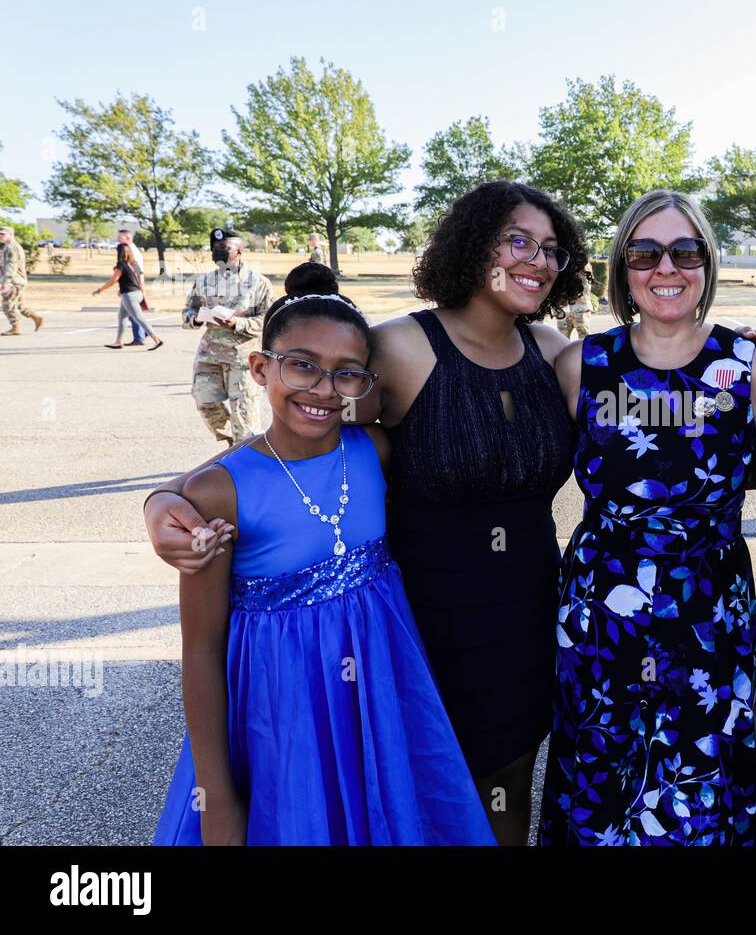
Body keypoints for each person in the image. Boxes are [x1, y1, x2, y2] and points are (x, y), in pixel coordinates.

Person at [141, 182, 756, 845]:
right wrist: (167, 499)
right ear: (475, 246)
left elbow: (666, 451)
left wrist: (747, 365)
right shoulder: (401, 348)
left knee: (507, 796)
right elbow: (302, 431)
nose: (536, 259)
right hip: (420, 626)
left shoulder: (553, 352)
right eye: (518, 241)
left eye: (552, 249)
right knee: (419, 797)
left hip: (536, 621)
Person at [152, 292, 494, 845]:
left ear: (365, 384)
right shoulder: (217, 492)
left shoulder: (375, 450)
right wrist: (215, 794)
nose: (322, 388)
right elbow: (202, 650)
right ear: (260, 368)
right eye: (302, 364)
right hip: (282, 711)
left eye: (345, 374)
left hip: (381, 694)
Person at [540, 190, 756, 845]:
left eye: (686, 251)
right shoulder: (580, 367)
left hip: (709, 614)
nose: (665, 269)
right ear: (622, 268)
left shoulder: (749, 367)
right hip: (602, 617)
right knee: (604, 774)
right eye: (645, 253)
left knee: (699, 780)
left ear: (707, 264)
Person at [183, 230, 272, 446]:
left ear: (239, 251)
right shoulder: (203, 281)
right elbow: (187, 312)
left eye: (224, 248)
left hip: (243, 357)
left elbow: (269, 319)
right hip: (209, 355)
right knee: (204, 401)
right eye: (215, 248)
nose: (218, 252)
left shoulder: (257, 282)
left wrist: (238, 323)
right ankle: (232, 442)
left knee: (245, 414)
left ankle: (249, 460)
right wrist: (194, 319)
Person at [94, 243, 163, 349]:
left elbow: (113, 280)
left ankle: (156, 339)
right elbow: (137, 281)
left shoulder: (121, 265)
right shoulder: (135, 265)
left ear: (119, 253)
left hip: (130, 296)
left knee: (139, 318)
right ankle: (118, 341)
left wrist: (100, 290)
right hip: (137, 294)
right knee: (122, 317)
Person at [0, 226, 41, 336]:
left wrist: (5, 282)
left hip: (13, 281)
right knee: (19, 305)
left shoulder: (11, 247)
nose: (0, 236)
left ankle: (16, 327)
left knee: (7, 305)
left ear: (11, 234)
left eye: (3, 234)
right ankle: (36, 318)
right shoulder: (11, 246)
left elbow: (11, 265)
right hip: (19, 280)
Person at [117, 229, 147, 345]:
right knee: (131, 314)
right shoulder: (128, 250)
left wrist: (140, 288)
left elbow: (138, 272)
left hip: (134, 288)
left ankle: (140, 337)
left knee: (132, 314)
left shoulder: (132, 252)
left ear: (128, 239)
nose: (118, 240)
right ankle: (144, 333)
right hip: (131, 287)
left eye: (120, 238)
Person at [556, 262, 598, 339]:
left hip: (580, 309)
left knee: (584, 338)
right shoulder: (564, 266)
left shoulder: (583, 269)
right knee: (561, 339)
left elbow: (580, 288)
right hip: (565, 310)